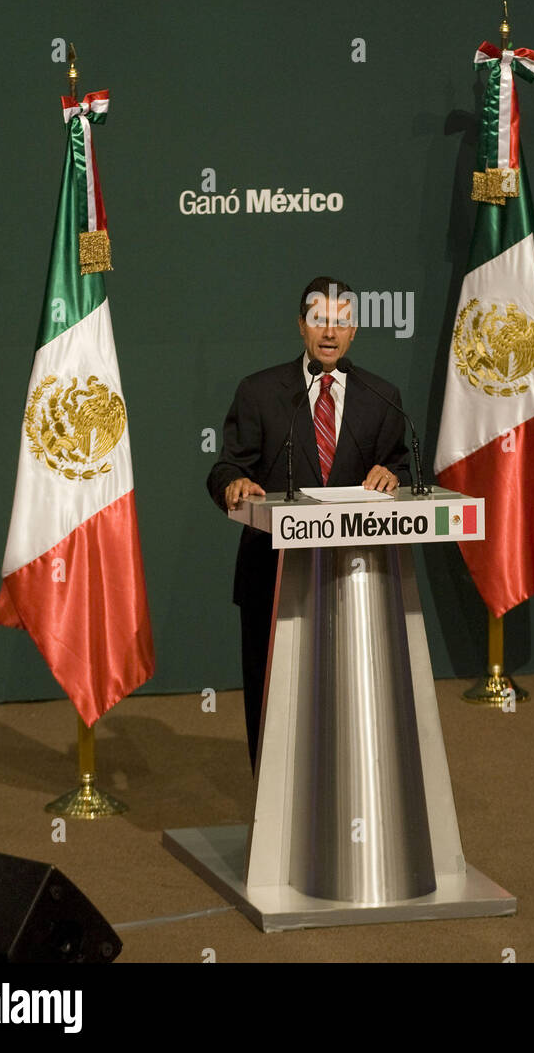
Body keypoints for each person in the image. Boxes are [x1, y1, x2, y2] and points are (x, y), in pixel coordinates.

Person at [207, 276, 412, 767]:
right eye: (319, 320)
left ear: (354, 330)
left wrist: (393, 476)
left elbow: (403, 468)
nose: (329, 332)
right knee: (271, 696)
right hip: (271, 575)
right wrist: (234, 486)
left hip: (357, 577)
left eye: (341, 322)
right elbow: (226, 467)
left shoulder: (380, 395)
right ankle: (269, 808)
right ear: (301, 326)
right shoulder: (259, 392)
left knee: (352, 698)